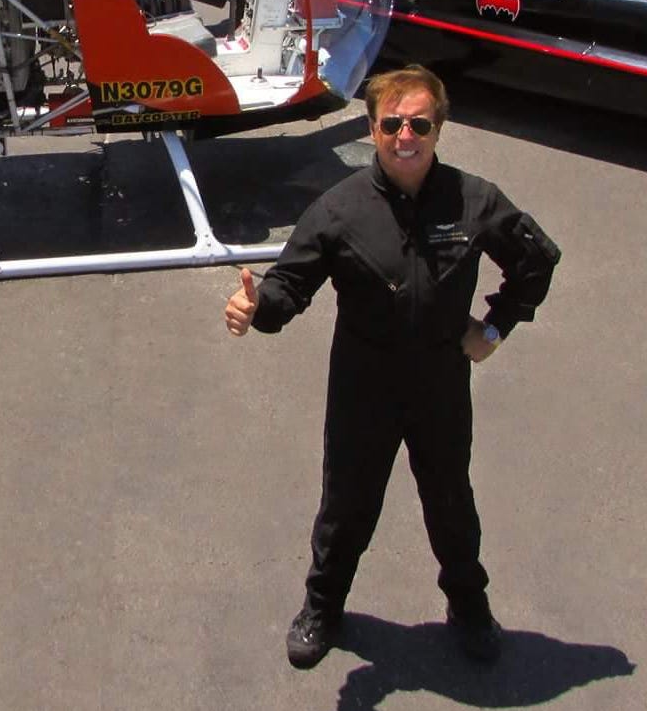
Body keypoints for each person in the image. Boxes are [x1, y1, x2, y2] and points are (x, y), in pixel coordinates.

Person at [223, 65, 560, 670]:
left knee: (451, 503)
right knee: (347, 504)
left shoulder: (475, 200)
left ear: (439, 129)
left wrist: (495, 327)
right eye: (392, 123)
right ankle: (323, 605)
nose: (407, 136)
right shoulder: (338, 209)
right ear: (375, 130)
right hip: (363, 385)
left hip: (439, 384)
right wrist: (257, 308)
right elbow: (290, 286)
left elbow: (537, 260)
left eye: (420, 124)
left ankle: (469, 605)